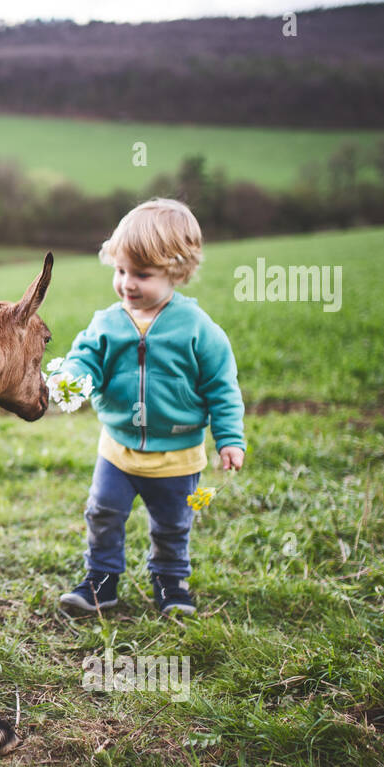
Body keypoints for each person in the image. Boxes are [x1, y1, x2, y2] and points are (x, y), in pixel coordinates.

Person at [58, 198, 246, 616]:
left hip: (178, 457)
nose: (127, 283)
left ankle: (171, 583)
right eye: (121, 271)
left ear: (177, 271)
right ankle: (101, 583)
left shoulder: (198, 330)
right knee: (103, 514)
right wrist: (74, 378)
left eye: (141, 274)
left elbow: (222, 388)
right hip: (118, 451)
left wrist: (230, 439)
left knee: (173, 525)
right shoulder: (106, 323)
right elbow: (84, 358)